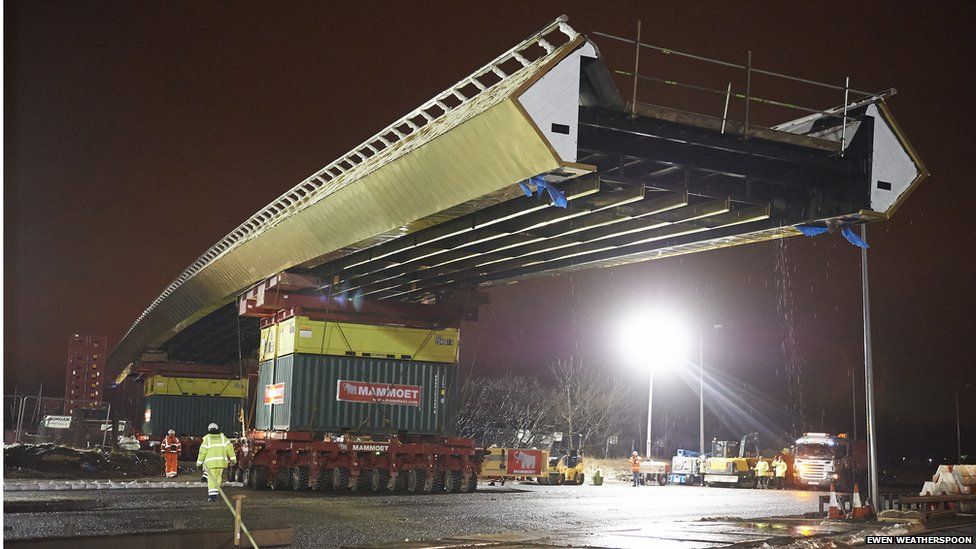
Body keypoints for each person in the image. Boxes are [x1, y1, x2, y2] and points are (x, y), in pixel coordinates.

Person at [196, 423, 237, 502]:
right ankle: (215, 493)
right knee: (218, 479)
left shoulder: (207, 439)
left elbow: (202, 453)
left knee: (212, 480)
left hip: (210, 464)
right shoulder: (223, 438)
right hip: (221, 463)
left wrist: (199, 464)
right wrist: (233, 459)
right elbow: (230, 449)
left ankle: (212, 497)